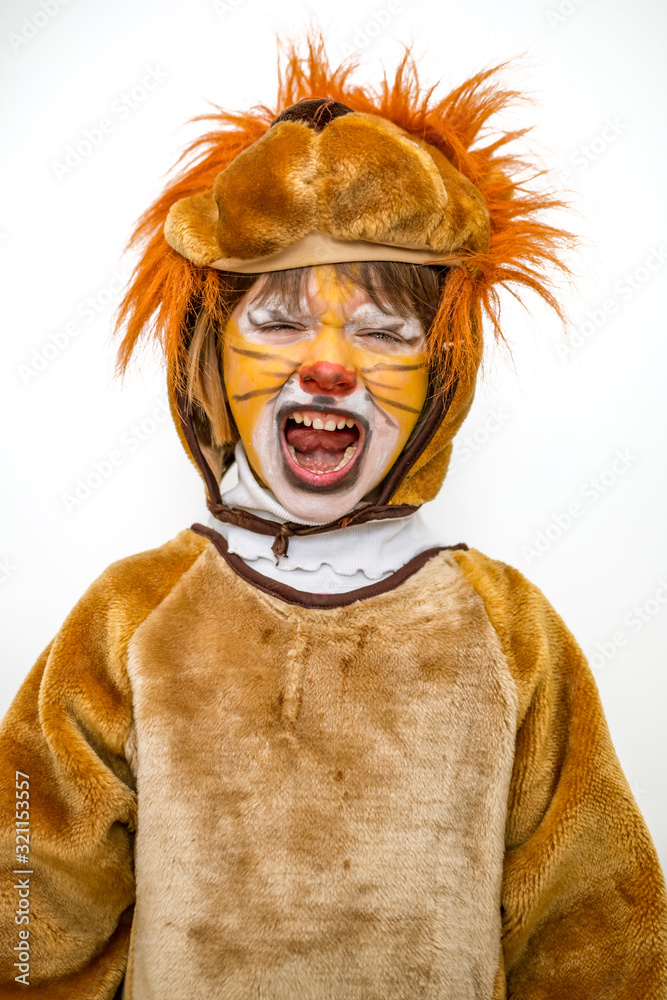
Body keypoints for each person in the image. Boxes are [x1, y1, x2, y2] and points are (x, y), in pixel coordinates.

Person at [1, 30, 666, 1000]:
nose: (327, 362)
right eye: (275, 318)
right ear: (210, 354)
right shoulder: (129, 618)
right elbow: (26, 904)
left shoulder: (511, 635)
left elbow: (599, 940)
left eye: (382, 328)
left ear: (440, 370)